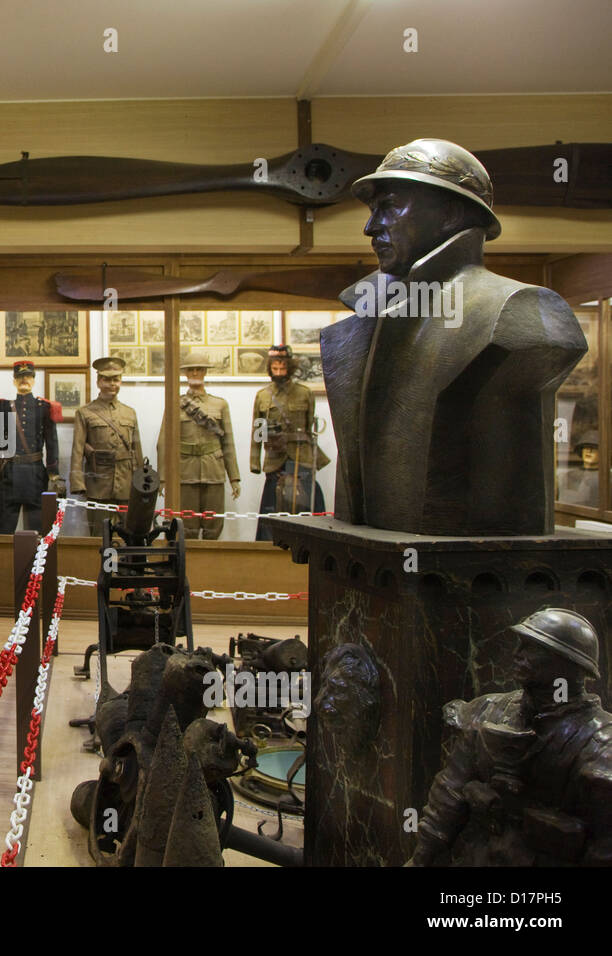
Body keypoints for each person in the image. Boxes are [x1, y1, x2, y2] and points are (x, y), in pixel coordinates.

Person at [321, 138, 586, 535]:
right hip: (363, 546)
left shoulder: (520, 309)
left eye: (390, 206)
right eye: (373, 210)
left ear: (449, 213)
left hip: (459, 555)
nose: (370, 226)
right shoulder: (368, 312)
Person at [409, 608, 612, 866]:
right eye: (520, 645)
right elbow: (448, 794)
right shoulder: (487, 711)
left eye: (532, 649)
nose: (517, 655)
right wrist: (419, 860)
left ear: (568, 663)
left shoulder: (600, 743)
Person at [158, 351, 239, 539]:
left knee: (213, 525)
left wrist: (234, 477)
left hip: (214, 471)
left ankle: (210, 566)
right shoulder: (174, 403)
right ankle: (188, 565)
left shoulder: (220, 405)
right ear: (185, 374)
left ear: (205, 372)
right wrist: (163, 477)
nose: (195, 374)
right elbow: (163, 442)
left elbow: (228, 443)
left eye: (199, 370)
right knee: (187, 527)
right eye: (191, 370)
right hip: (185, 472)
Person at [250, 344, 328, 540]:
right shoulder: (262, 396)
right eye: (274, 368)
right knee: (271, 505)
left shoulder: (305, 393)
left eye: (282, 368)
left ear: (290, 368)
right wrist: (255, 463)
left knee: (307, 503)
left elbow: (309, 427)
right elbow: (257, 432)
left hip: (301, 458)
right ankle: (268, 543)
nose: (278, 372)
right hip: (275, 459)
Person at [70, 356, 144, 536]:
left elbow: (137, 450)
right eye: (107, 379)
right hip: (98, 484)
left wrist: (141, 482)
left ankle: (126, 565)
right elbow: (78, 450)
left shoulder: (130, 413)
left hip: (126, 484)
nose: (112, 384)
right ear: (98, 381)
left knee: (129, 535)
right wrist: (78, 482)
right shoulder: (85, 413)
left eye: (116, 379)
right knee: (99, 536)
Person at [0, 360, 62, 534]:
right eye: (20, 377)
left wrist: (53, 472)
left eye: (28, 376)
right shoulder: (4, 407)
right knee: (4, 527)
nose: (24, 380)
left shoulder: (44, 407)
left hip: (35, 473)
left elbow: (52, 441)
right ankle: (4, 561)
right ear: (14, 380)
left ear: (33, 379)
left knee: (37, 527)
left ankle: (36, 561)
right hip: (10, 472)